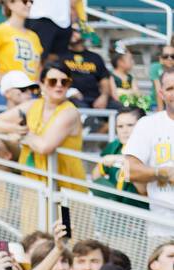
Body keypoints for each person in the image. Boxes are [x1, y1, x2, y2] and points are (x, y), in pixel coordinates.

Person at [0, 59, 86, 189]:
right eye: (52, 82)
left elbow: (44, 146)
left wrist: (22, 134)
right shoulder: (33, 105)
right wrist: (15, 129)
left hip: (64, 188)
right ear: (41, 84)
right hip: (34, 182)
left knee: (64, 210)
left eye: (64, 82)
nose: (59, 85)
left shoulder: (69, 112)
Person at [123, 70, 174, 237]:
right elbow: (130, 170)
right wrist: (162, 173)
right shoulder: (149, 124)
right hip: (162, 228)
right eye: (170, 88)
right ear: (161, 93)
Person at [92, 107, 148, 207]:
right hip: (114, 212)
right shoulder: (114, 146)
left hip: (139, 213)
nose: (124, 131)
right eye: (120, 126)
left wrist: (125, 161)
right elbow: (95, 176)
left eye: (130, 125)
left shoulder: (149, 150)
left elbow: (144, 192)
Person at [0, 0, 42, 84]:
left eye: (31, 1)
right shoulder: (0, 30)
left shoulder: (34, 36)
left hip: (30, 91)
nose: (29, 4)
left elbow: (38, 65)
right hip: (9, 90)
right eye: (24, 1)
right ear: (10, 4)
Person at [63, 25, 112, 110]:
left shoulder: (95, 57)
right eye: (69, 30)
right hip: (73, 98)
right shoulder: (61, 56)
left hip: (95, 99)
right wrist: (69, 92)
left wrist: (104, 97)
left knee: (119, 109)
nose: (71, 33)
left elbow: (104, 80)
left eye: (75, 30)